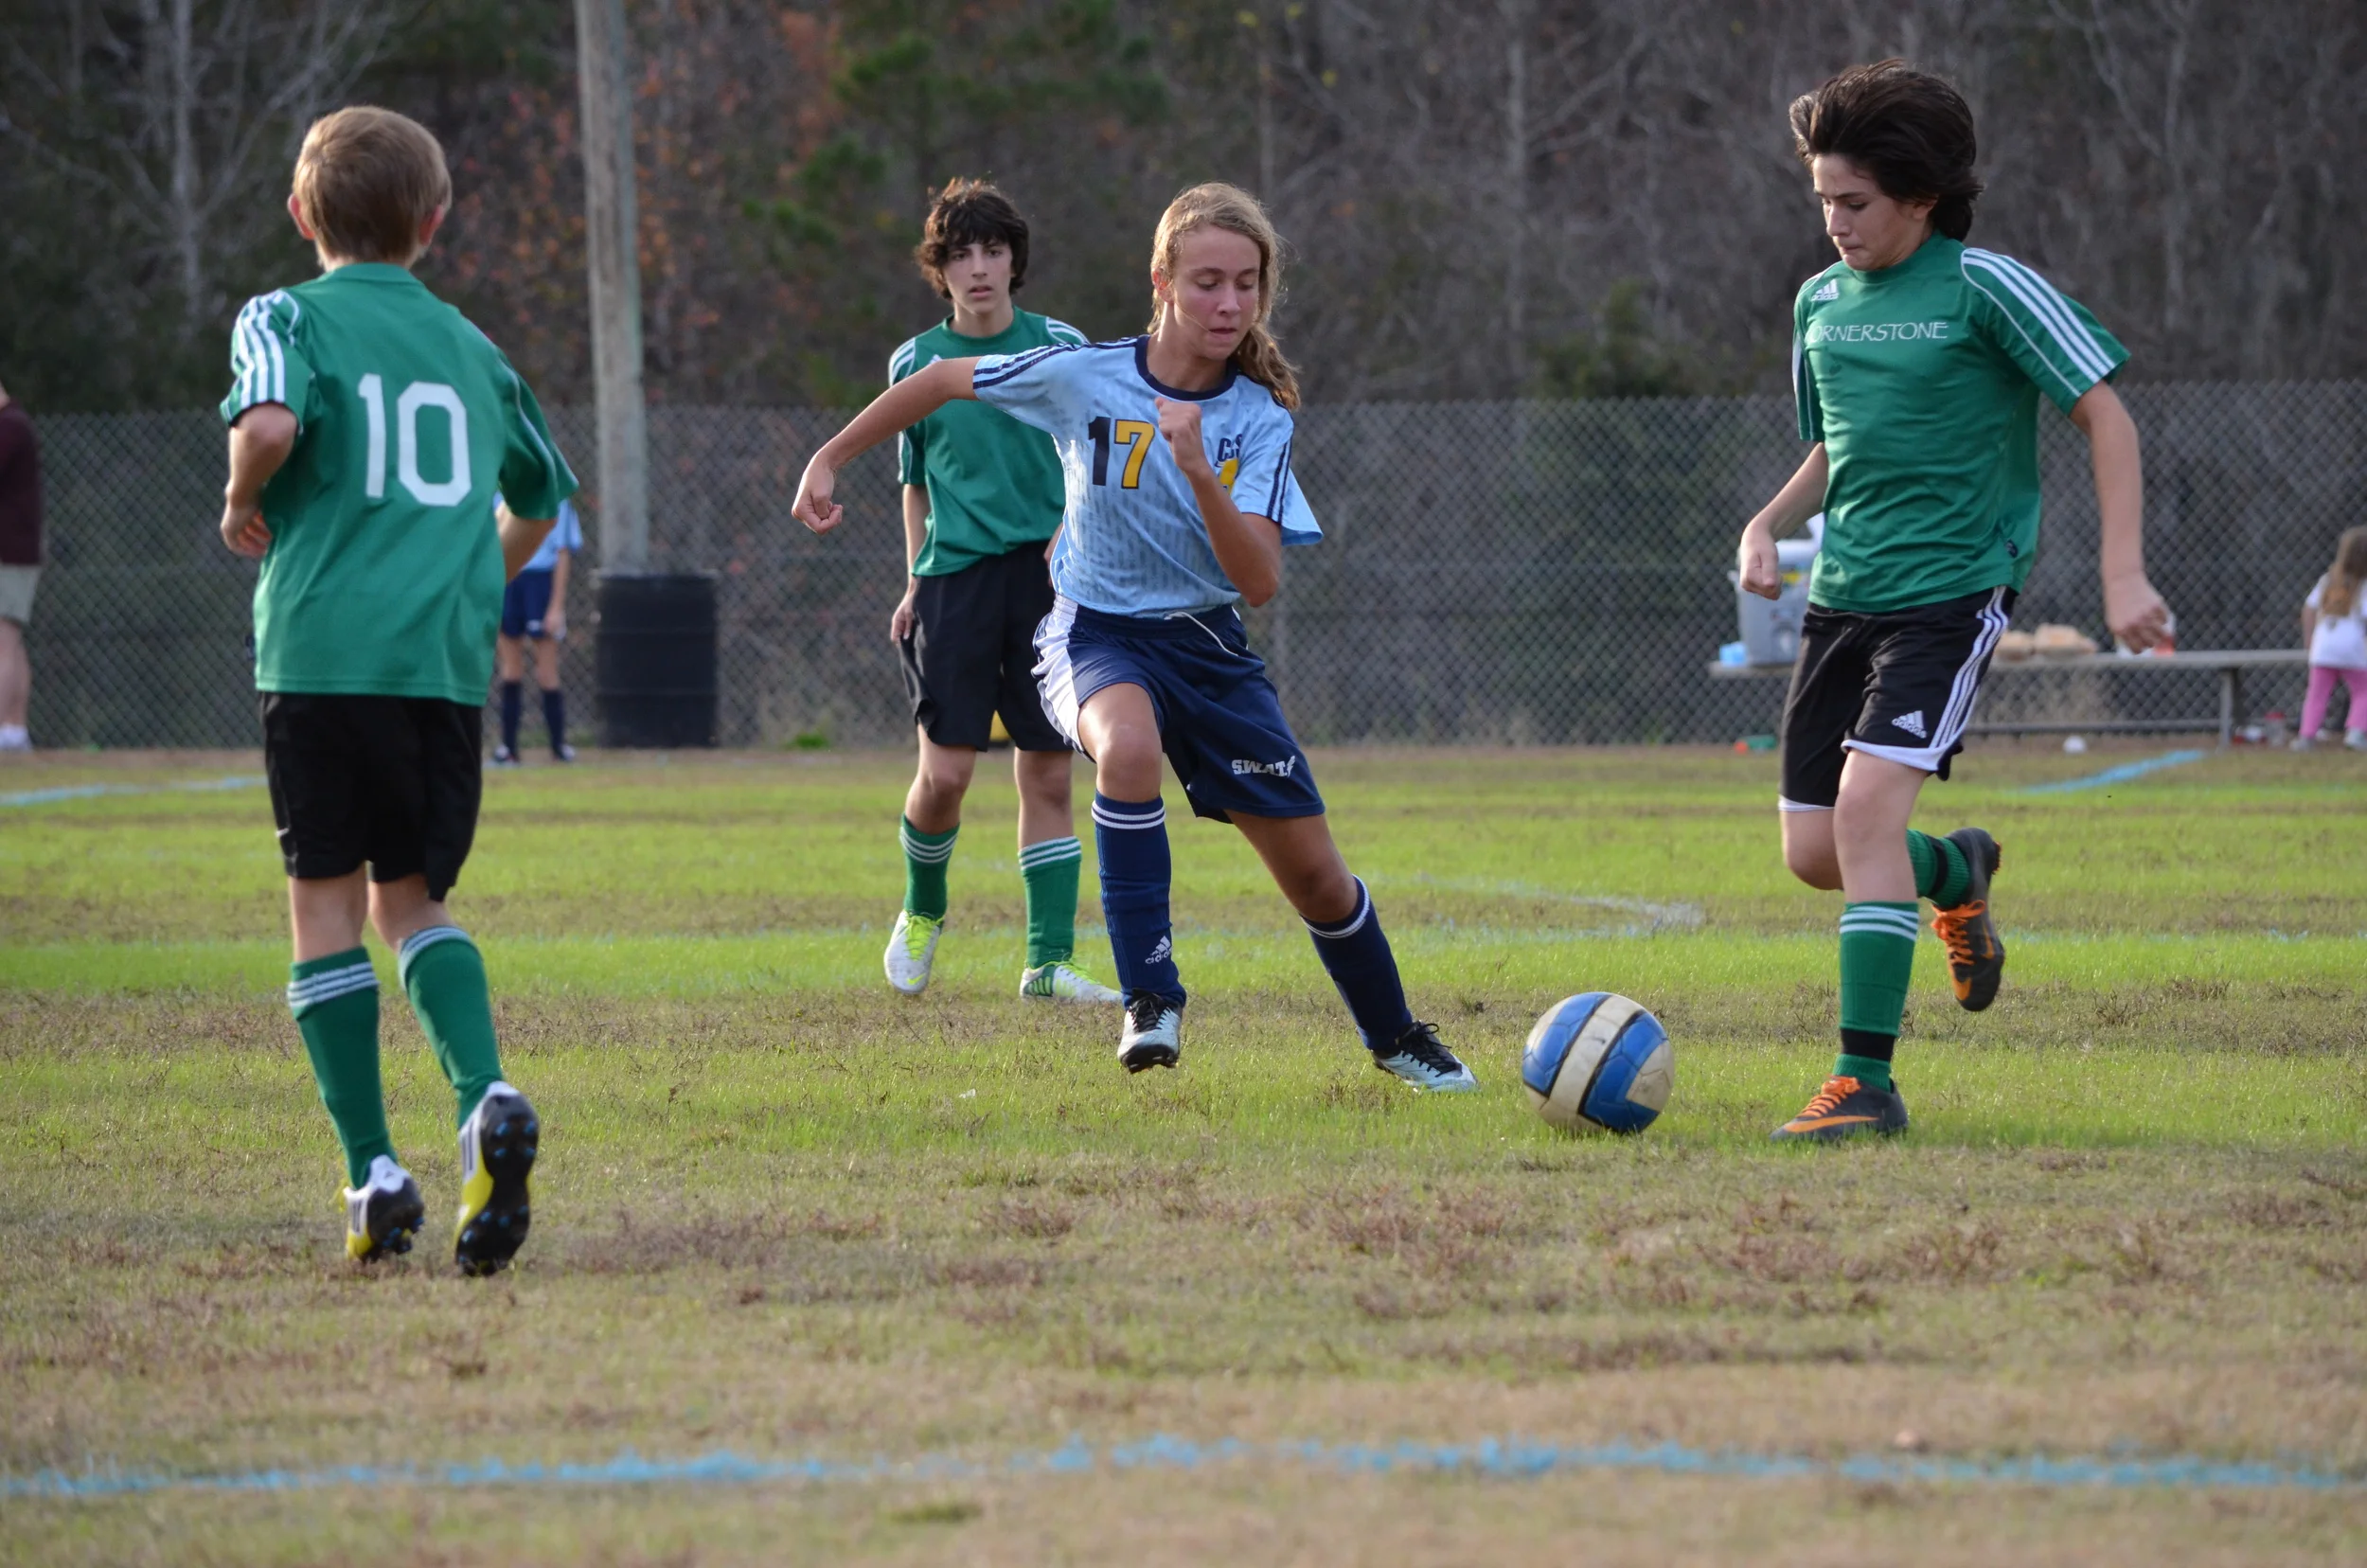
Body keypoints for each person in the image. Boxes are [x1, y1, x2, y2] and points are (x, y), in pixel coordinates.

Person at [793, 183, 1478, 1091]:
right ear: (1161, 281)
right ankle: (1150, 999)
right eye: (1205, 283)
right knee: (1127, 746)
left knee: (1318, 881)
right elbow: (943, 379)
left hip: (1211, 653)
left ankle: (1395, 1037)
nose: (1228, 304)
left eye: (1246, 284)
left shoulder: (1259, 421)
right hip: (1091, 632)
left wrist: (1197, 468)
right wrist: (830, 456)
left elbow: (1260, 582)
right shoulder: (1086, 375)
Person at [1738, 61, 2171, 1142]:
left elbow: (2103, 415)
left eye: (1855, 202)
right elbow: (1836, 447)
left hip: (1951, 596)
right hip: (1843, 600)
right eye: (1822, 202)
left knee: (1865, 812)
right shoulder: (1819, 303)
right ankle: (1957, 869)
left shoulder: (1987, 288)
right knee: (1813, 853)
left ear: (1920, 198)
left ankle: (1863, 1084)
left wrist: (2123, 575)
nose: (1834, 223)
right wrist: (1763, 525)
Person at [216, 106, 577, 1270]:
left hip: (320, 654)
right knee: (411, 901)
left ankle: (373, 1174)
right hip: (437, 664)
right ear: (433, 222)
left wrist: (237, 498)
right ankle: (483, 1096)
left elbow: (269, 422)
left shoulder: (283, 316)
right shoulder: (471, 346)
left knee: (325, 910)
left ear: (300, 214)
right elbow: (540, 496)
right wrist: (475, 572)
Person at [881, 179, 1117, 1006]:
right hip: (954, 584)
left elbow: (1097, 457)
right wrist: (913, 580)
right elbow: (915, 485)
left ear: (1015, 260)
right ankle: (921, 910)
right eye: (959, 255)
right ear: (939, 271)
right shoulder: (916, 363)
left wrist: (1074, 531)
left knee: (1048, 775)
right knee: (945, 775)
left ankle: (1047, 963)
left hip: (1052, 582)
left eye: (992, 250)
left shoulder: (1061, 345)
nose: (977, 268)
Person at [493, 495, 582, 765]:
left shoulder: (555, 496)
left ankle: (558, 748)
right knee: (510, 669)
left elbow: (563, 551)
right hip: (507, 578)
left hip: (540, 584)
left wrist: (556, 606)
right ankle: (508, 749)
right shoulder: (495, 495)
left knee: (546, 672)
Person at [2295, 526, 2367, 751]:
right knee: (2363, 690)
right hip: (2352, 648)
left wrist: (2309, 640)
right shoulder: (2363, 585)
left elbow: (2308, 609)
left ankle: (2306, 736)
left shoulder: (2327, 580)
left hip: (2322, 647)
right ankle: (2355, 734)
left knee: (2317, 694)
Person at [0, 379, 41, 753]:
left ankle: (6, 729)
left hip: (8, 554)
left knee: (4, 641)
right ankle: (13, 730)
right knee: (10, 641)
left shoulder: (9, 427)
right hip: (15, 553)